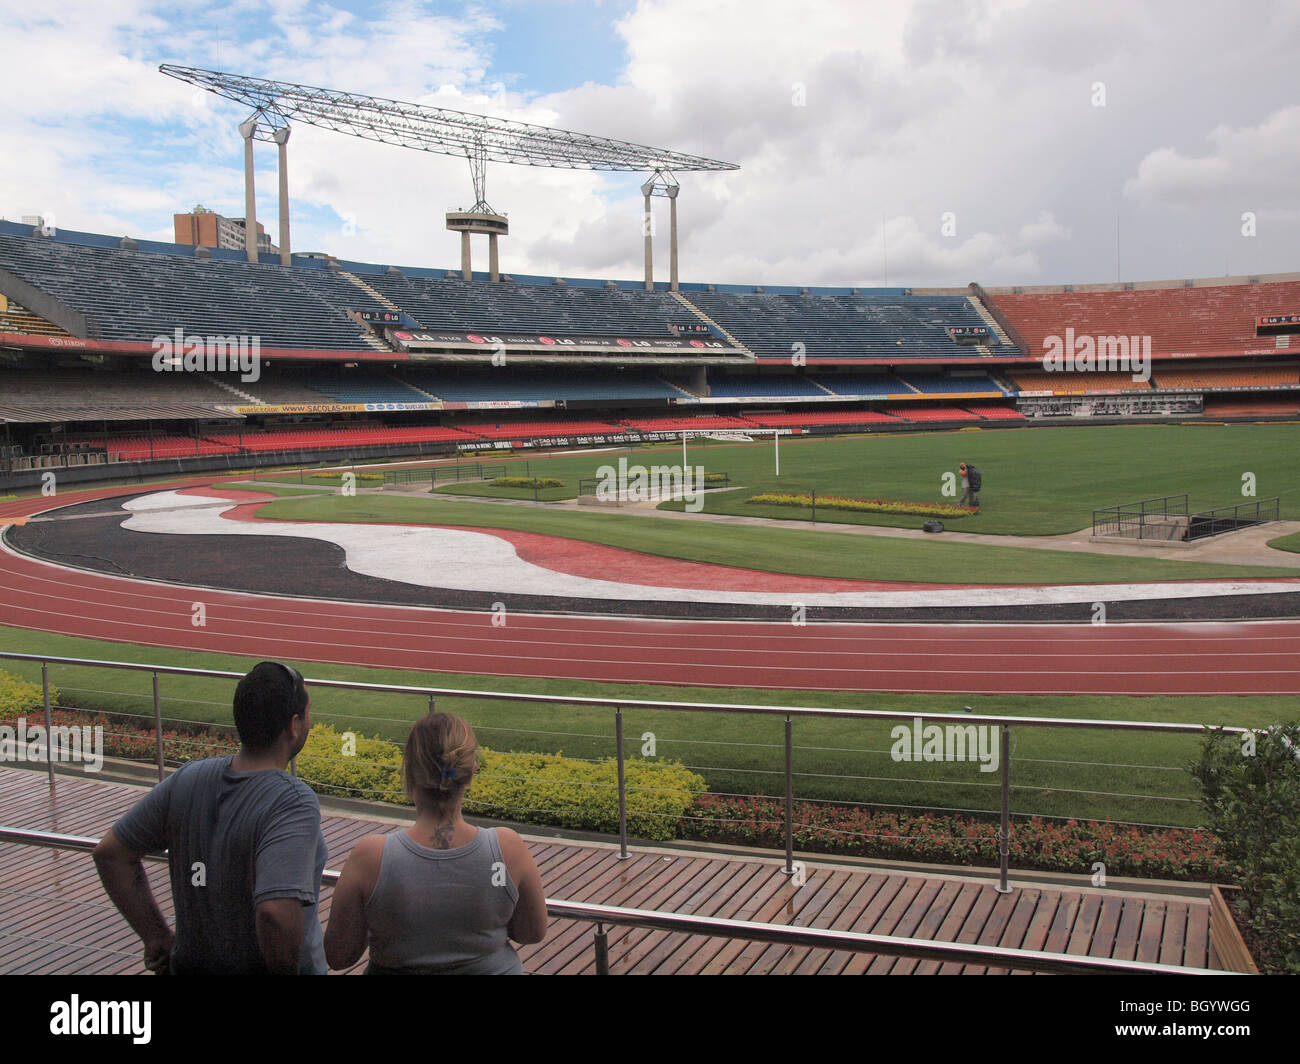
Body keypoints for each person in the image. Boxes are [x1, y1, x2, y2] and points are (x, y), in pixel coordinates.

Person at [93, 661, 328, 975]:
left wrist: (157, 937)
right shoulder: (293, 801)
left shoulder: (188, 778)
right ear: (294, 725)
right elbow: (275, 910)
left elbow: (111, 853)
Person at [325, 711, 547, 974]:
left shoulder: (370, 856)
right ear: (472, 769)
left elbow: (339, 956)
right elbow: (531, 933)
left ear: (409, 770)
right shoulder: (507, 847)